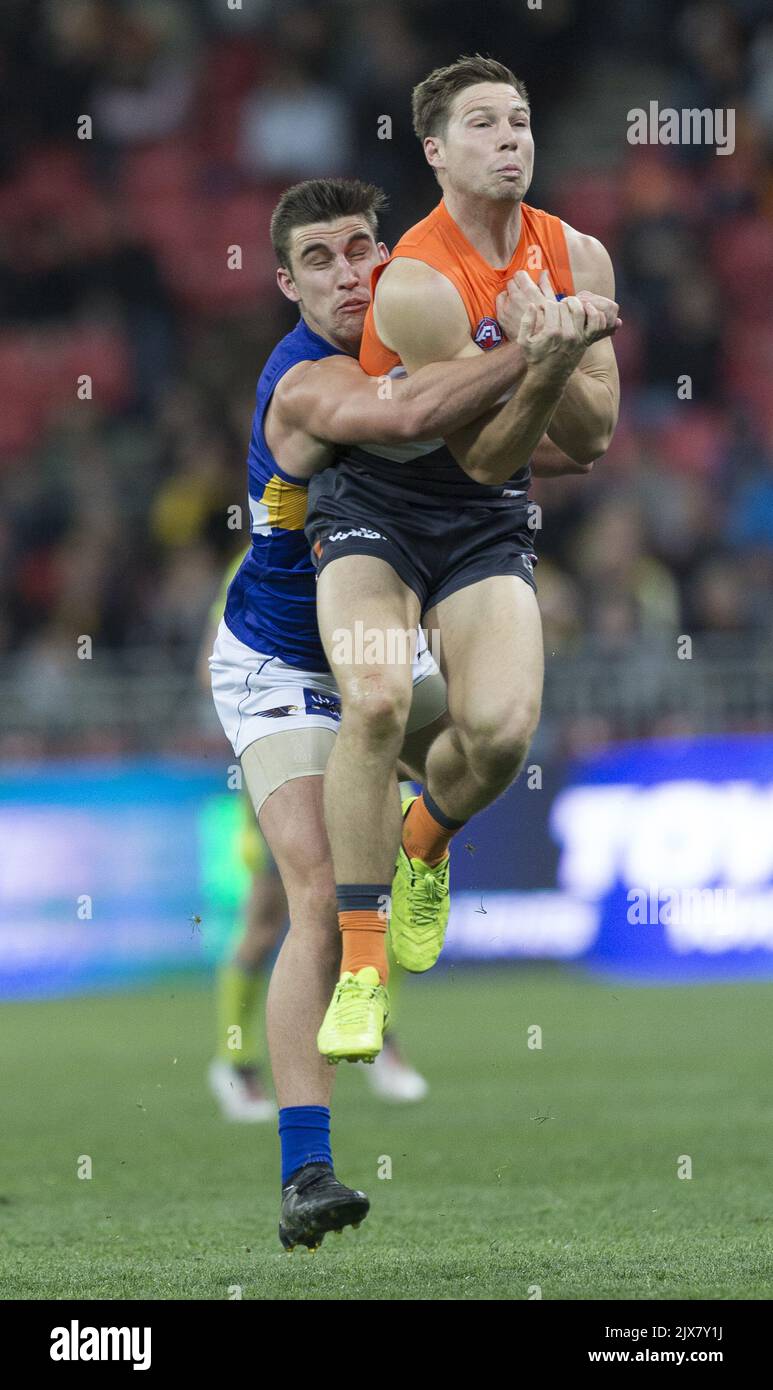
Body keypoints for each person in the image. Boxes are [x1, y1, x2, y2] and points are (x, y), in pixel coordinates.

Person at [208, 173, 589, 1251]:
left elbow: (540, 445)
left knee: (494, 737)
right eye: (318, 260)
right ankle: (304, 1170)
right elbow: (421, 414)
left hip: (376, 645)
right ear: (283, 282)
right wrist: (542, 335)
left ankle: (423, 842)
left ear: (390, 250)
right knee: (319, 894)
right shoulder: (303, 383)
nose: (350, 273)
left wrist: (545, 385)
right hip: (284, 666)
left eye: (364, 247)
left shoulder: (421, 339)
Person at [303, 55, 621, 1066]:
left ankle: (422, 842)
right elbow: (480, 449)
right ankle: (360, 971)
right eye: (482, 124)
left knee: (498, 733)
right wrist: (540, 356)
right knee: (379, 702)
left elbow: (596, 437)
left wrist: (556, 353)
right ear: (435, 153)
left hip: (482, 518)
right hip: (377, 504)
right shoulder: (417, 282)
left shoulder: (577, 255)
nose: (510, 138)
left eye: (520, 120)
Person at [200, 551, 430, 1119]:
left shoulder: (381, 546)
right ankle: (234, 1060)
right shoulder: (257, 562)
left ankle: (380, 1032)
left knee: (389, 889)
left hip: (364, 742)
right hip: (287, 739)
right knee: (269, 915)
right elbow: (219, 661)